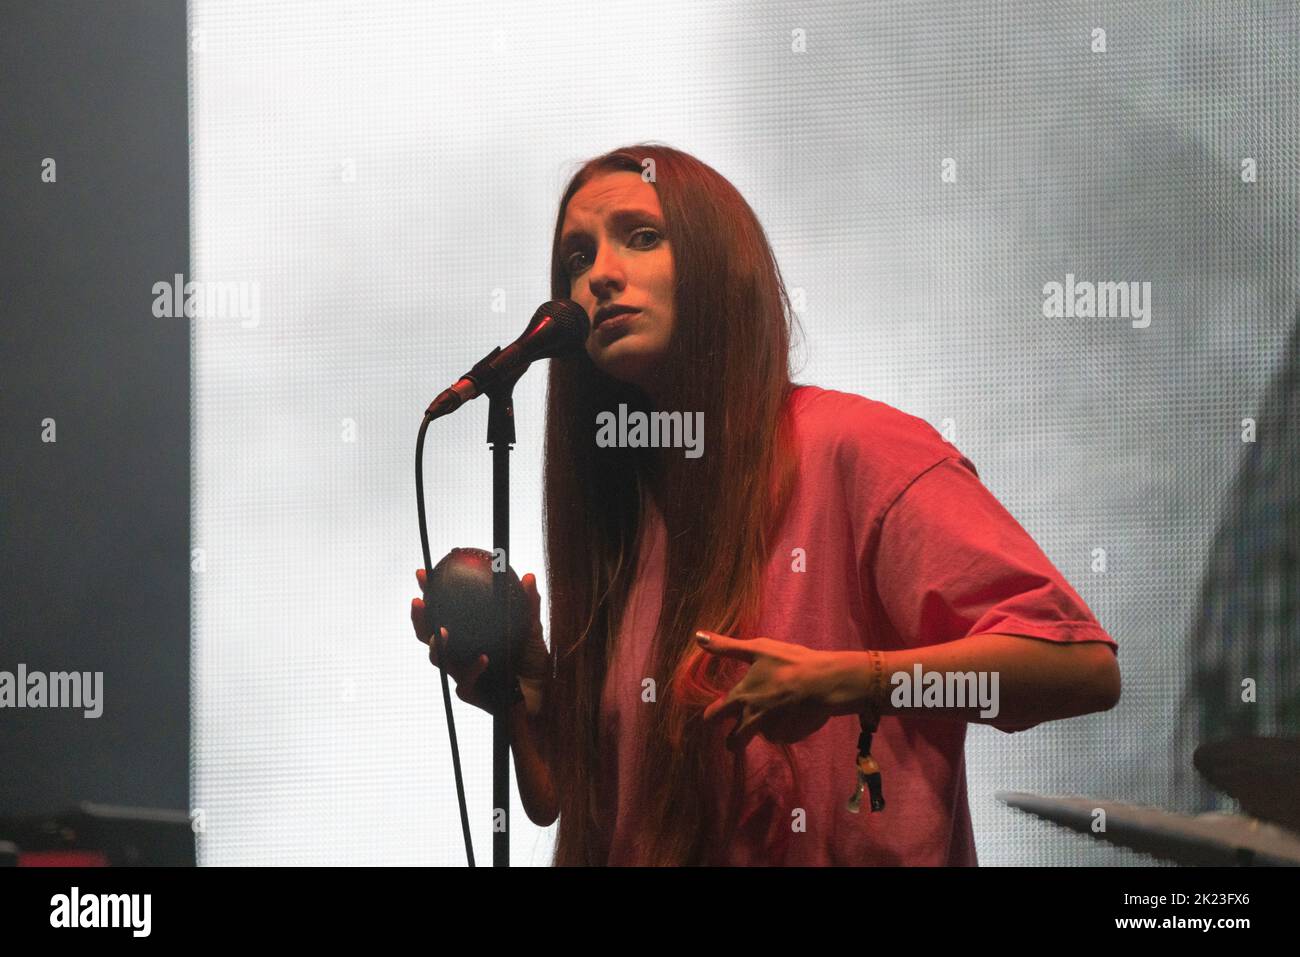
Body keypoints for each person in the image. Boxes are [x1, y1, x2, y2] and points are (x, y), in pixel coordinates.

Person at [411, 143, 1121, 866]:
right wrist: (528, 693)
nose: (598, 276)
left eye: (643, 237)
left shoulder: (858, 449)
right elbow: (571, 801)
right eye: (577, 260)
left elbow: (1081, 669)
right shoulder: (625, 519)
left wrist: (851, 679)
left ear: (721, 263)